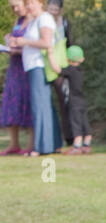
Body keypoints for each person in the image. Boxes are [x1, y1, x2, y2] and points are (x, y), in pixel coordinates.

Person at [8, 0, 56, 155]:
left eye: (31, 3)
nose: (29, 7)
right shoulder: (36, 20)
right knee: (40, 107)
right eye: (27, 4)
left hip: (38, 65)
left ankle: (42, 147)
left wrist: (24, 41)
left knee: (40, 108)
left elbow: (46, 42)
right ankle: (47, 144)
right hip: (31, 66)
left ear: (40, 3)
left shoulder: (44, 18)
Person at [1, 0, 31, 155]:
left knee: (27, 102)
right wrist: (9, 41)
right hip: (14, 67)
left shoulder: (33, 21)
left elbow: (34, 44)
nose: (15, 9)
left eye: (17, 6)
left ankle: (31, 144)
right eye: (12, 7)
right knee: (11, 101)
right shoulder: (18, 21)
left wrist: (18, 49)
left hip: (26, 67)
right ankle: (14, 144)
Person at [45, 0, 70, 147]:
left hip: (62, 67)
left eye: (56, 9)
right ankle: (52, 137)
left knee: (65, 102)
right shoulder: (43, 23)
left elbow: (69, 42)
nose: (53, 11)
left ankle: (69, 137)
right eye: (51, 8)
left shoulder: (64, 23)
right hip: (47, 66)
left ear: (60, 10)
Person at [61, 41, 86, 153]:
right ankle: (87, 144)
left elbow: (58, 70)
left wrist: (51, 54)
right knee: (84, 121)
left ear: (67, 59)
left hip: (73, 101)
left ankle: (77, 146)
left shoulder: (70, 71)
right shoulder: (80, 71)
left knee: (75, 122)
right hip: (82, 100)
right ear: (82, 59)